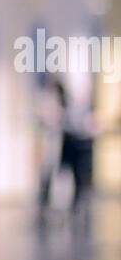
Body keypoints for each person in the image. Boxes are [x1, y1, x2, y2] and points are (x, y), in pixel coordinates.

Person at [38, 77, 96, 228]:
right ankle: (50, 207)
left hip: (65, 146)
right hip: (57, 146)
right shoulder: (52, 104)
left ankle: (67, 207)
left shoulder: (69, 108)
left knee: (69, 179)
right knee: (52, 178)